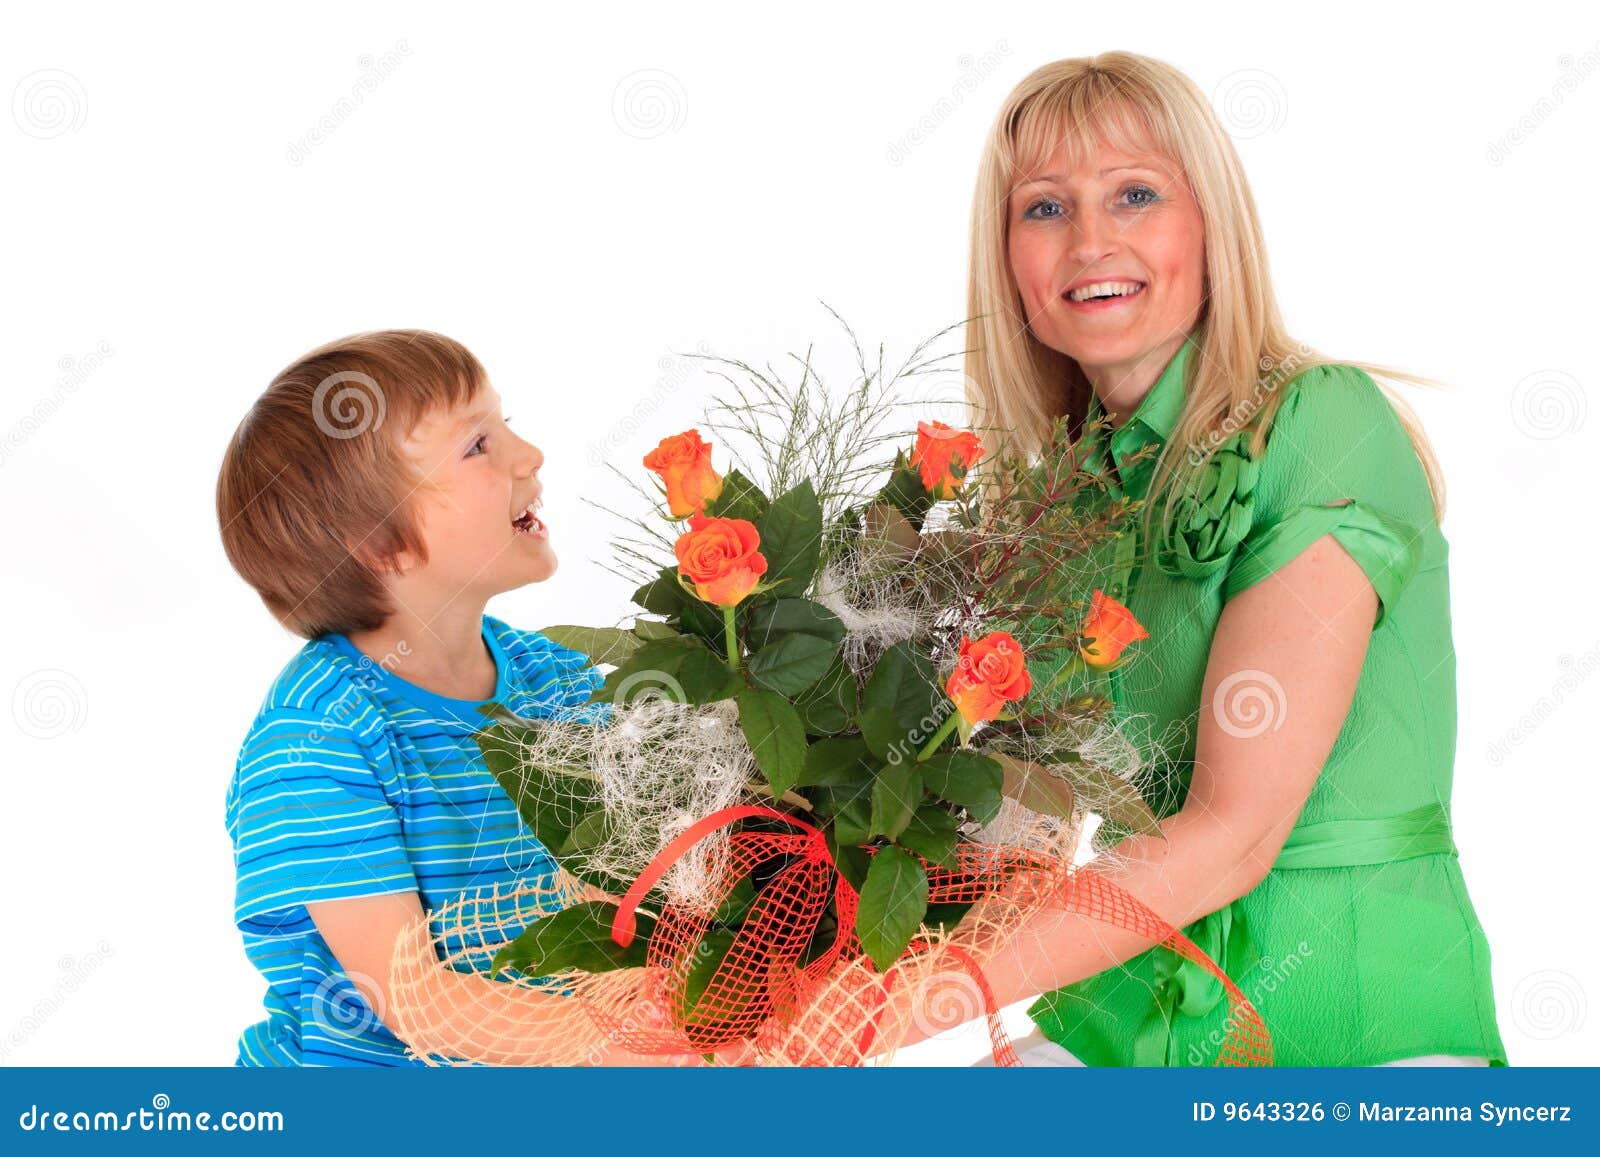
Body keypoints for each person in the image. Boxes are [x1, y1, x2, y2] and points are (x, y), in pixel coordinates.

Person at [945, 52, 1505, 1066]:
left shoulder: (1321, 420)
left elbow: (1232, 831)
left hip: (1357, 1016)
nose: (1090, 240)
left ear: (1209, 224)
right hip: (1133, 1014)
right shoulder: (1053, 499)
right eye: (1043, 209)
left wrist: (903, 1003)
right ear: (1007, 259)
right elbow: (1014, 823)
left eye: (1135, 194)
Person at [216, 329, 677, 1066]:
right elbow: (417, 1003)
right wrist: (651, 1046)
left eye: (506, 424)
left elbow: (626, 888)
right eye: (478, 446)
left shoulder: (556, 679)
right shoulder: (315, 739)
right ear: (378, 543)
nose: (529, 456)